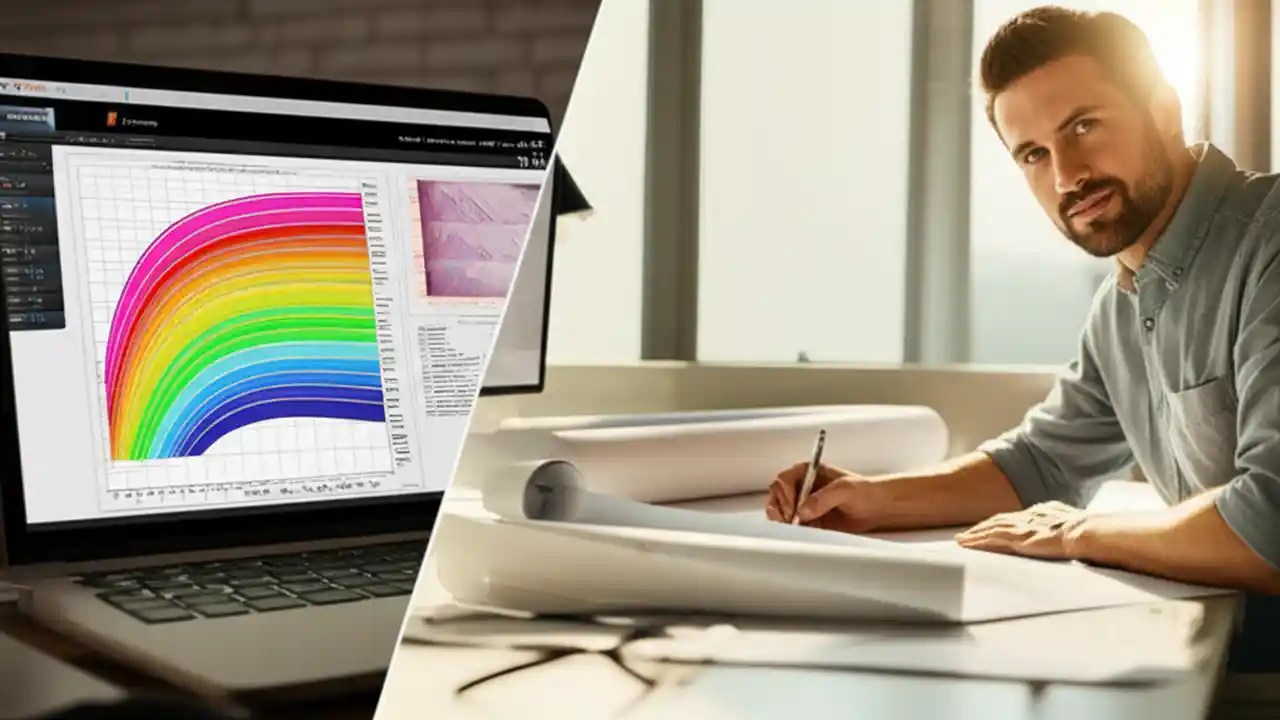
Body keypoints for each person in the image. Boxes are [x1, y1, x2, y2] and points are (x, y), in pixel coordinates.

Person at [766, 5, 1280, 597]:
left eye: (1083, 126)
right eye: (1033, 154)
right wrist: (872, 498)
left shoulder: (1268, 246)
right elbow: (1041, 463)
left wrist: (1081, 534)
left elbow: (1267, 526)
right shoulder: (1120, 309)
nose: (1066, 175)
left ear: (1163, 112)